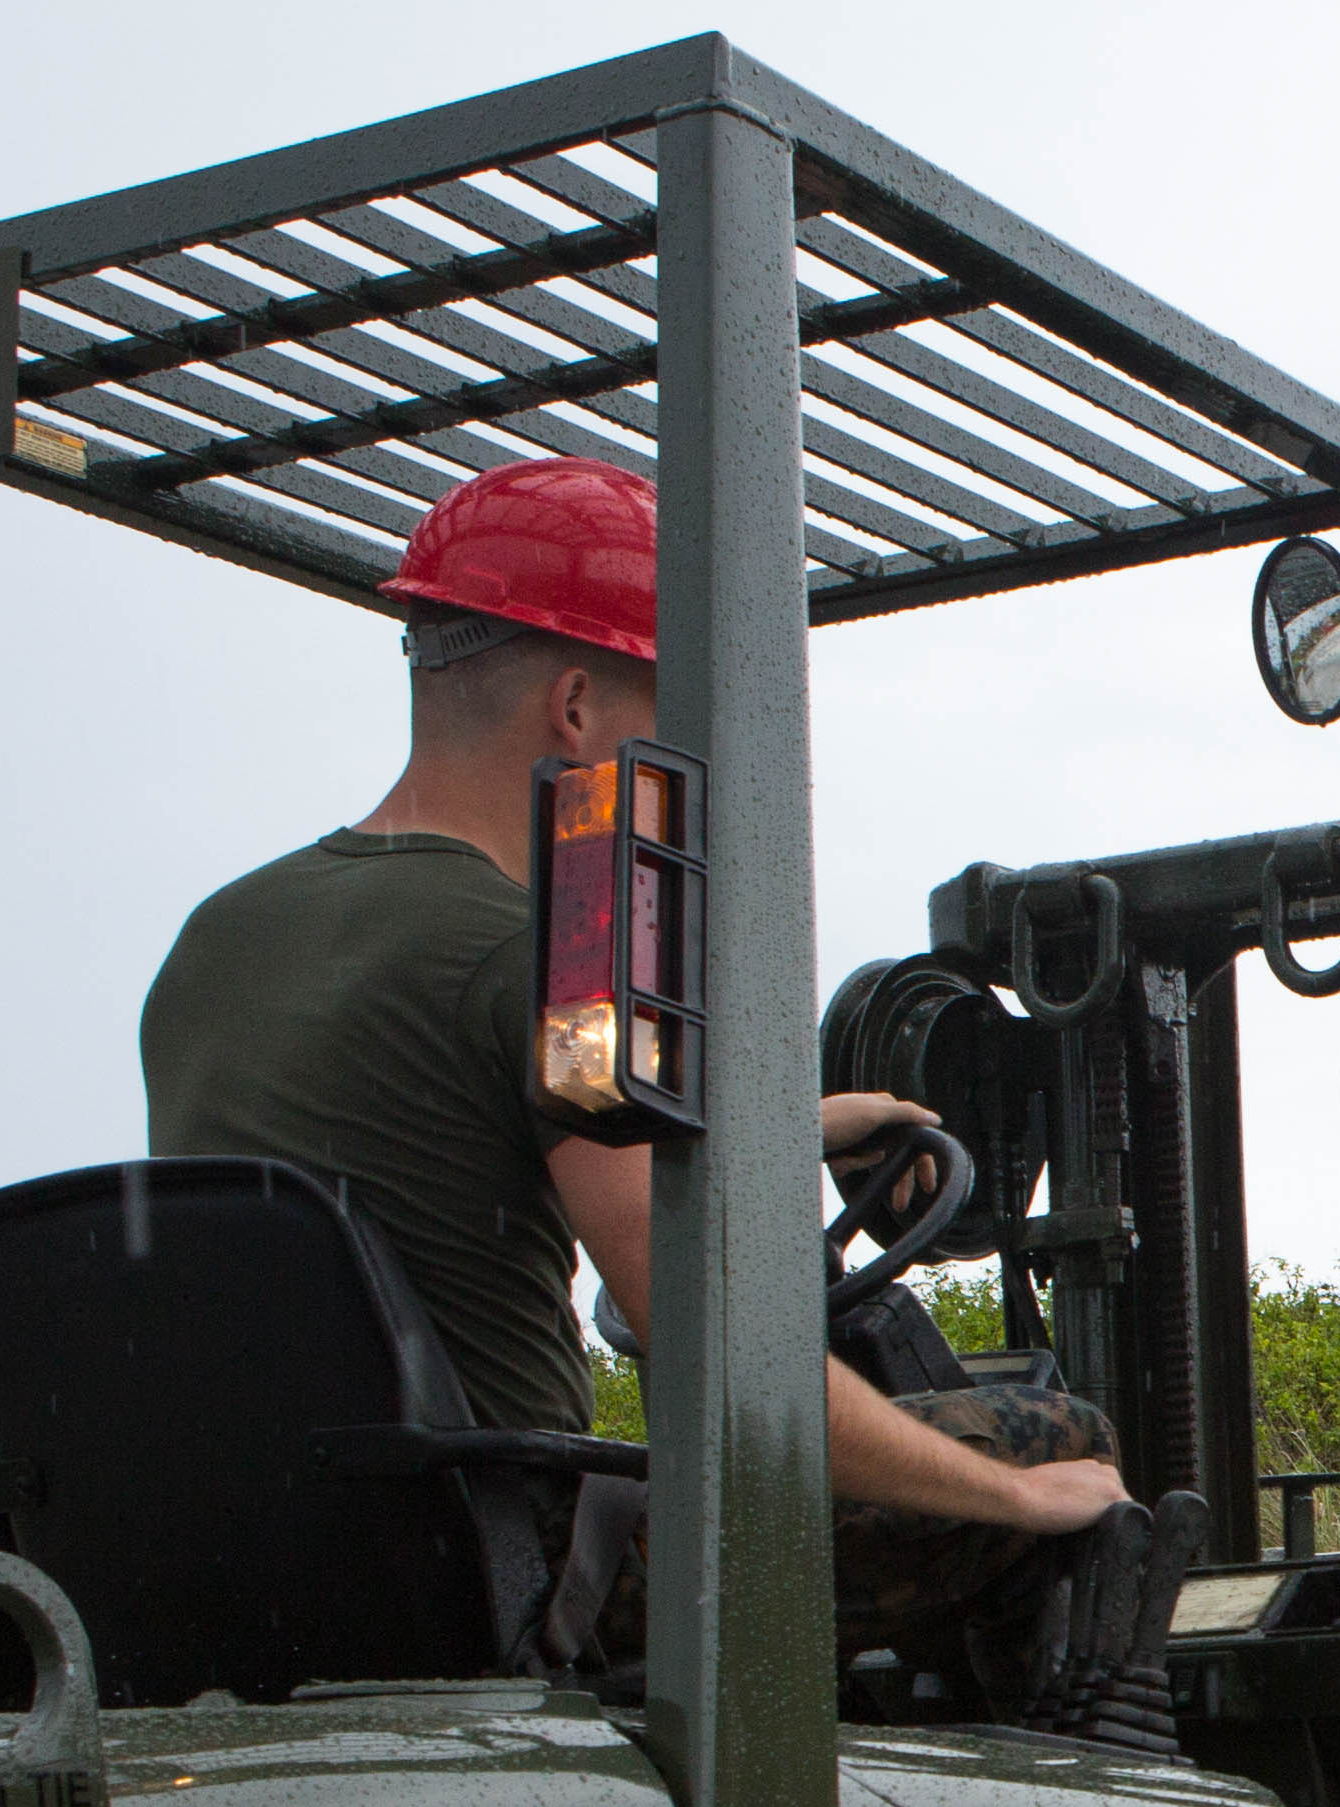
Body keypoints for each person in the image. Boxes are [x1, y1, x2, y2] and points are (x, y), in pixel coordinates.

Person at [140, 455, 1176, 1717]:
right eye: (665, 709)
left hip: (275, 1557)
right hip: (512, 1562)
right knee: (1067, 1449)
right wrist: (1020, 1497)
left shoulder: (220, 935)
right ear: (575, 709)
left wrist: (776, 1134)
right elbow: (718, 1357)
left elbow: (429, 1139)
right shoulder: (562, 956)